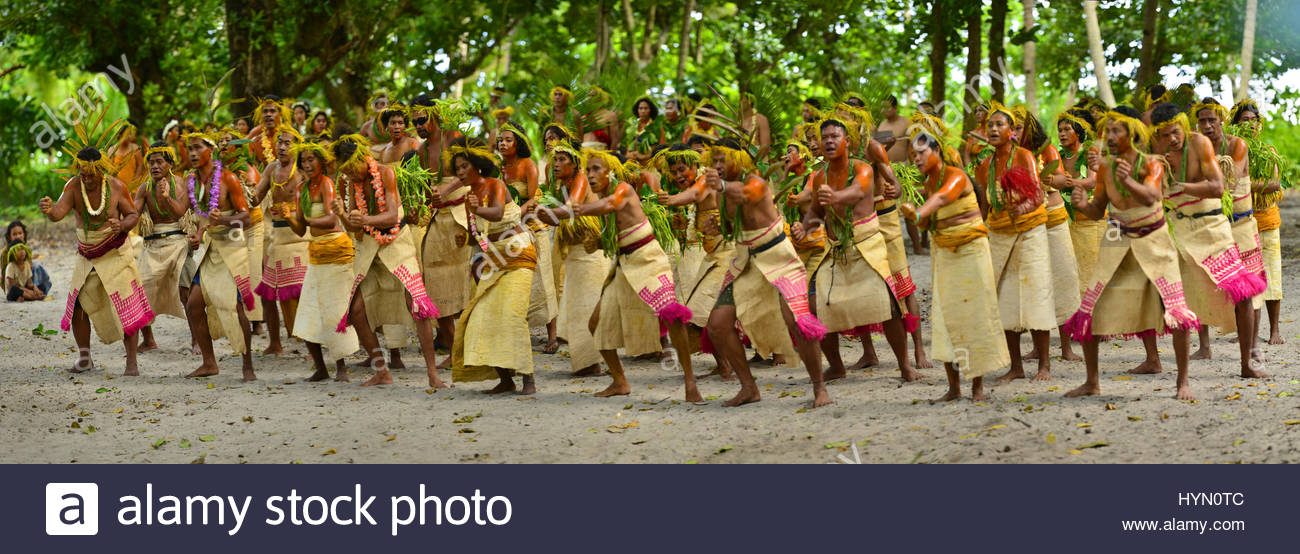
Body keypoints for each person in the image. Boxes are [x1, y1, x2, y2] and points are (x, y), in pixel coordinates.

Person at [1063, 106, 1199, 400]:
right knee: (1091, 307)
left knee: (1176, 311)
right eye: (1107, 131)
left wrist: (1127, 181)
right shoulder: (1106, 169)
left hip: (1154, 237)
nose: (1109, 136)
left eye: (1116, 131)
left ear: (1133, 134)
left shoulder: (1154, 163)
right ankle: (1092, 382)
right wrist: (1082, 204)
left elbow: (1152, 195)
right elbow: (1098, 208)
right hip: (1116, 235)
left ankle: (1183, 382)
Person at [699, 138, 831, 407]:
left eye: (723, 159)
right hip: (746, 262)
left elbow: (744, 195)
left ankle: (820, 389)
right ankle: (749, 388)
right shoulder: (723, 194)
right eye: (715, 161)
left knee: (799, 323)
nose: (718, 165)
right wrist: (718, 227)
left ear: (741, 160)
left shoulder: (755, 182)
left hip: (778, 257)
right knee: (717, 325)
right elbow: (737, 223)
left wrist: (721, 186)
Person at [558, 149, 699, 400]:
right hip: (624, 265)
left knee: (672, 316)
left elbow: (610, 205)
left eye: (596, 169)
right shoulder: (603, 198)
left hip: (649, 260)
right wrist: (598, 243)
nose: (590, 174)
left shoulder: (623, 189)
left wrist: (579, 208)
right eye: (588, 170)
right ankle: (620, 382)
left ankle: (690, 382)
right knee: (596, 323)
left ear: (610, 171)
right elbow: (616, 234)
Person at [899, 114, 1010, 402]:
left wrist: (920, 212)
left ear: (936, 151)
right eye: (913, 155)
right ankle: (953, 387)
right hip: (944, 252)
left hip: (971, 252)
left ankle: (978, 388)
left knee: (974, 314)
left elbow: (942, 199)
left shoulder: (955, 176)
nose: (917, 160)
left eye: (921, 153)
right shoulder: (928, 183)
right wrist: (915, 214)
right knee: (945, 315)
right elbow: (927, 222)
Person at [1149, 102, 1262, 377]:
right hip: (1179, 230)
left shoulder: (1199, 144)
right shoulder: (1156, 149)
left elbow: (1218, 186)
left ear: (1184, 127)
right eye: (1165, 135)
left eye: (1175, 132)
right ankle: (1182, 378)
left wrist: (1182, 187)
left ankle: (1246, 363)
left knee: (1243, 293)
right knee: (1177, 302)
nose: (1172, 140)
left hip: (1212, 226)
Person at [801, 117, 917, 382]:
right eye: (825, 138)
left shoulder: (862, 167)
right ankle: (837, 366)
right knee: (817, 306)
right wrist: (802, 228)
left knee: (889, 305)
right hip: (836, 249)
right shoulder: (819, 177)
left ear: (847, 141)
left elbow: (857, 192)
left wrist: (836, 197)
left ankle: (905, 366)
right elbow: (816, 214)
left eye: (835, 137)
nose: (829, 141)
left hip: (866, 244)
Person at [330, 135, 445, 388]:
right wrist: (343, 215)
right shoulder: (350, 183)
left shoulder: (386, 174)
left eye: (351, 168)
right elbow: (355, 227)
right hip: (368, 245)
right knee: (356, 310)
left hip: (397, 242)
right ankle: (381, 371)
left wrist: (366, 221)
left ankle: (432, 374)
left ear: (362, 159)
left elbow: (392, 215)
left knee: (417, 305)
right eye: (345, 172)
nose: (350, 175)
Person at [41, 146, 154, 375]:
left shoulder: (116, 186)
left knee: (126, 306)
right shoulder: (73, 186)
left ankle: (131, 363)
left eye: (91, 174)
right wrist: (50, 210)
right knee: (78, 307)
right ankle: (85, 359)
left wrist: (121, 225)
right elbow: (58, 213)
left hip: (115, 252)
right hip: (87, 254)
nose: (86, 178)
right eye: (83, 173)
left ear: (101, 170)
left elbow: (133, 214)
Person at [444, 138, 538, 395]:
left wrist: (478, 210)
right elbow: (477, 234)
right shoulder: (469, 198)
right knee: (480, 317)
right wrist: (465, 238)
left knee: (512, 317)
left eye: (464, 166)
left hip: (518, 254)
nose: (460, 172)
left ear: (478, 166)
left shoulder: (495, 184)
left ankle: (528, 380)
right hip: (494, 259)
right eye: (457, 169)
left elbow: (496, 213)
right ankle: (506, 379)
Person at [972, 102, 1056, 383]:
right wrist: (978, 230)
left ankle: (1044, 365)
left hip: (1031, 232)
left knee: (1036, 298)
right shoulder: (984, 167)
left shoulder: (1024, 157)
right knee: (1005, 301)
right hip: (999, 233)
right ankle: (1016, 367)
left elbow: (1036, 194)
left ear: (1011, 132)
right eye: (990, 125)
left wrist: (1022, 207)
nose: (993, 129)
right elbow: (985, 205)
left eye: (1000, 125)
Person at [180, 132, 257, 381]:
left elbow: (246, 218)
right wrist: (196, 234)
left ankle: (248, 366)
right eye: (189, 149)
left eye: (197, 148)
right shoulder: (191, 182)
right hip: (211, 249)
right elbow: (194, 216)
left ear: (210, 151)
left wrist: (222, 219)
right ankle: (209, 363)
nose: (192, 153)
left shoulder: (228, 179)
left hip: (232, 248)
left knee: (234, 306)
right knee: (193, 305)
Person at [1194, 97, 1265, 368]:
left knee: (1249, 288)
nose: (1208, 125)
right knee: (1204, 283)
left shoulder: (1238, 144)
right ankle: (1204, 346)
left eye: (1212, 119)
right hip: (1211, 224)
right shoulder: (1195, 148)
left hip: (1241, 222)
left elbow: (1229, 177)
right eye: (1202, 121)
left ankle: (1253, 347)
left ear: (1222, 120)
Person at [654, 144, 736, 380]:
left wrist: (670, 200)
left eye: (682, 169)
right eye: (674, 171)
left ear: (695, 166)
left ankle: (732, 368)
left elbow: (696, 195)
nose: (679, 175)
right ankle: (724, 366)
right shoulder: (696, 185)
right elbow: (698, 216)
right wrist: (681, 222)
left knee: (702, 313)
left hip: (727, 255)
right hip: (712, 256)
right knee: (701, 314)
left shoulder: (704, 180)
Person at [532, 141, 609, 376]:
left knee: (585, 308)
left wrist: (544, 212)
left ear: (575, 163)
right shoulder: (559, 186)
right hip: (574, 255)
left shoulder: (581, 179)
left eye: (562, 160)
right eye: (555, 160)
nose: (556, 164)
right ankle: (587, 363)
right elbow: (558, 217)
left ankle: (594, 364)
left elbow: (570, 209)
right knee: (577, 309)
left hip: (589, 253)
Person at [286, 141, 361, 382]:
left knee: (334, 313)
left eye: (311, 160)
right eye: (304, 161)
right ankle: (321, 368)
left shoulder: (327, 184)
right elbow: (299, 231)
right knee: (308, 313)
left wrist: (305, 219)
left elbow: (330, 220)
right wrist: (288, 217)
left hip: (337, 252)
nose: (307, 165)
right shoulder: (300, 189)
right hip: (316, 254)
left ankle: (341, 369)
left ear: (321, 162)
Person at [1016, 106, 1081, 363]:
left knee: (1063, 281)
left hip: (1053, 221)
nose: (1014, 132)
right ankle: (1036, 347)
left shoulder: (1047, 151)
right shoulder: (1012, 155)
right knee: (1033, 282)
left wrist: (1042, 180)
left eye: (1019, 127)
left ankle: (1066, 347)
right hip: (1028, 223)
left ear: (1030, 127)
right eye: (1013, 127)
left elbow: (1063, 181)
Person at [413, 95, 471, 360]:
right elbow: (427, 191)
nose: (419, 125)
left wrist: (446, 189)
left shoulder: (453, 137)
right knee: (434, 277)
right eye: (415, 122)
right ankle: (450, 342)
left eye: (422, 119)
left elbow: (469, 171)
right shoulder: (422, 152)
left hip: (463, 214)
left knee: (464, 277)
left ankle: (467, 343)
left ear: (434, 115)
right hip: (438, 219)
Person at [498, 122, 559, 354]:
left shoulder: (528, 165)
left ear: (518, 143)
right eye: (500, 140)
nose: (503, 144)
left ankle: (552, 334)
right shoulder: (499, 167)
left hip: (533, 226)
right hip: (510, 230)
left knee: (543, 278)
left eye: (508, 140)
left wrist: (515, 215)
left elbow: (534, 199)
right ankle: (514, 330)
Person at [132, 143, 198, 353]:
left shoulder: (182, 184)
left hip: (179, 241)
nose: (154, 166)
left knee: (187, 293)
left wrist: (167, 196)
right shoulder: (144, 188)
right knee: (140, 292)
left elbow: (180, 213)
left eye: (159, 161)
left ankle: (197, 340)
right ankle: (149, 340)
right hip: (153, 244)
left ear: (170, 163)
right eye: (151, 162)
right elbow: (133, 214)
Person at [251, 126, 310, 354]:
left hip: (301, 235)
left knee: (303, 290)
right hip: (277, 236)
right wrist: (241, 195)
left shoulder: (303, 171)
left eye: (288, 143)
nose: (282, 147)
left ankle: (310, 343)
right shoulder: (271, 169)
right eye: (280, 143)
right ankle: (275, 343)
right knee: (268, 294)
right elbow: (256, 198)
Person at [1232, 99, 1286, 346]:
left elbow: (1274, 184)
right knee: (1242, 278)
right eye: (1245, 120)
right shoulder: (1232, 153)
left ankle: (1274, 330)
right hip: (1241, 223)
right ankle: (1244, 329)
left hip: (1266, 221)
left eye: (1254, 120)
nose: (1251, 124)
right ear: (1236, 125)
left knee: (1272, 276)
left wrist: (1243, 184)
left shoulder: (1268, 153)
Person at [1053, 109, 1104, 303]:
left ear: (1079, 132)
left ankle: (1095, 325)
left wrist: (1070, 183)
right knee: (1071, 273)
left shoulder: (1091, 151)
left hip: (1089, 222)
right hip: (1067, 222)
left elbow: (1091, 182)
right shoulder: (1057, 156)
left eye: (1067, 129)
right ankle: (1077, 321)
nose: (1062, 134)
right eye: (1060, 130)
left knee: (1090, 272)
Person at [246, 96, 289, 169]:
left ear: (280, 114)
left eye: (272, 111)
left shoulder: (291, 136)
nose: (268, 114)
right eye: (265, 111)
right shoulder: (256, 141)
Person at [107, 120, 146, 195]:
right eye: (127, 134)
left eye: (130, 134)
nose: (129, 137)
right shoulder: (112, 150)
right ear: (119, 135)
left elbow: (140, 165)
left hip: (132, 186)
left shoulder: (135, 148)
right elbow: (110, 170)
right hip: (117, 186)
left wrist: (134, 181)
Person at [626, 97, 666, 164]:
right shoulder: (632, 127)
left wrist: (644, 156)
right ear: (637, 110)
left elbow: (662, 148)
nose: (643, 111)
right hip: (634, 164)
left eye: (646, 108)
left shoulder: (657, 126)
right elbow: (628, 147)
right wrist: (629, 154)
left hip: (651, 164)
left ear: (651, 110)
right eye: (640, 108)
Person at [739, 92, 772, 160]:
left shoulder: (761, 119)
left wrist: (754, 160)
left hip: (759, 162)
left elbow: (765, 147)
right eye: (740, 100)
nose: (740, 103)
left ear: (750, 101)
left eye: (742, 100)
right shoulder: (739, 123)